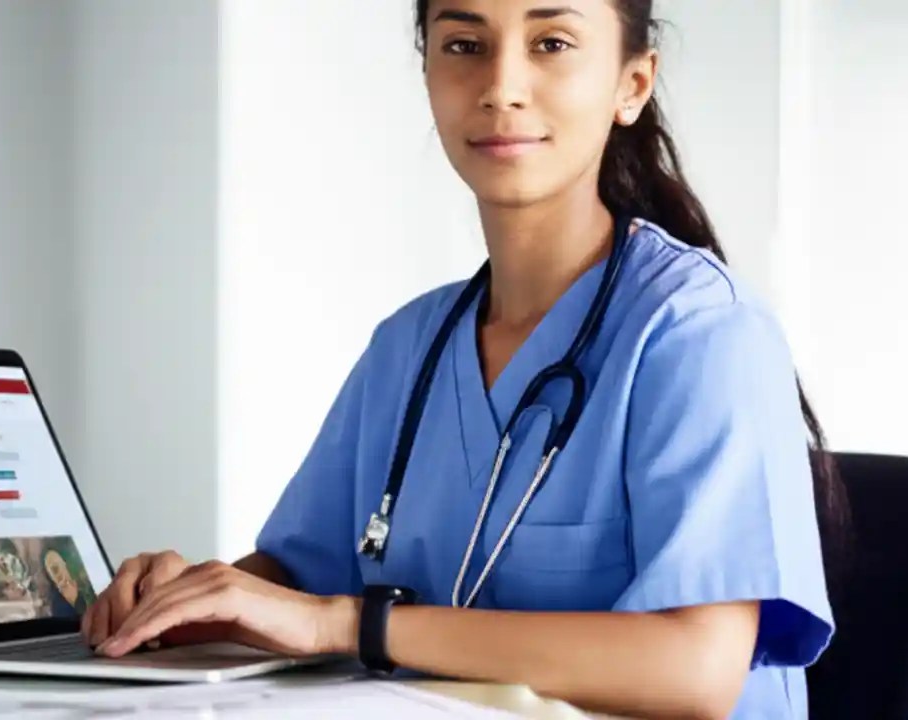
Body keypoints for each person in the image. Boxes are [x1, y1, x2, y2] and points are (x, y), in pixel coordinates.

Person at [81, 1, 843, 717]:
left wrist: (350, 626)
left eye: (551, 43)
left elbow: (696, 671)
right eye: (464, 46)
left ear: (631, 83)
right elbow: (294, 580)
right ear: (428, 76)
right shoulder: (409, 347)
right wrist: (181, 601)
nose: (501, 86)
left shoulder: (701, 332)